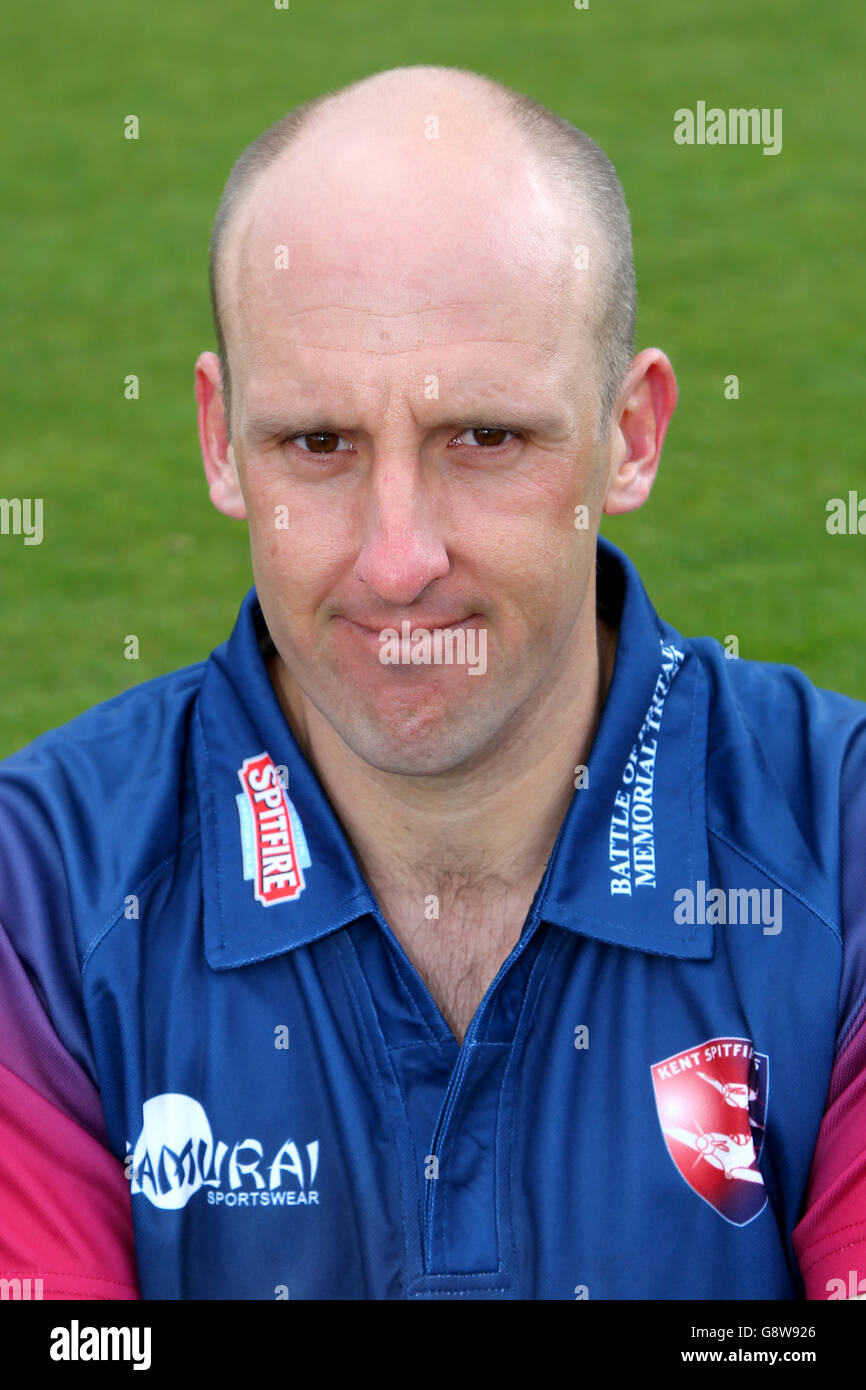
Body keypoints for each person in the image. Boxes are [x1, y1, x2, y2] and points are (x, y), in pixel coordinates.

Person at [1, 64, 863, 1302]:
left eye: (485, 438)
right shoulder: (33, 902)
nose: (397, 561)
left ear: (631, 433)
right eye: (318, 444)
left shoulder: (842, 846)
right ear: (217, 438)